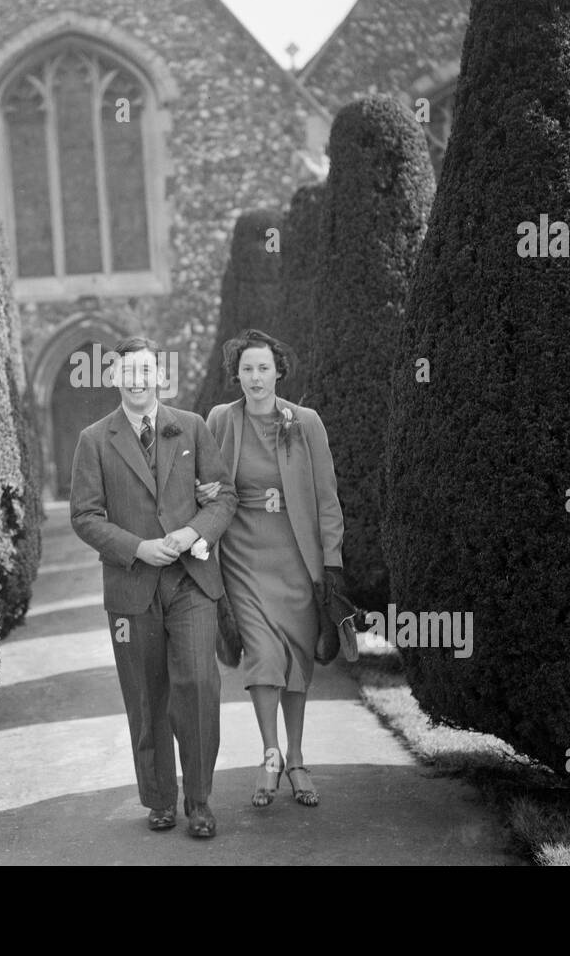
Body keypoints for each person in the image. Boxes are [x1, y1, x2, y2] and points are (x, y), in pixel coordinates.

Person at [70, 337, 237, 838]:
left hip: (191, 581)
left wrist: (192, 534)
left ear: (159, 376)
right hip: (131, 586)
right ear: (114, 378)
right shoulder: (94, 439)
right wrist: (138, 548)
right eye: (128, 372)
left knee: (199, 687)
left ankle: (199, 801)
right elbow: (85, 516)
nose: (138, 380)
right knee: (146, 696)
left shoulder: (192, 426)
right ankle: (160, 799)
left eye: (146, 371)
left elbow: (223, 496)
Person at [202, 328, 347, 808]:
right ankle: (270, 756)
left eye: (264, 367)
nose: (256, 377)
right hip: (242, 557)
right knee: (262, 655)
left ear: (278, 371)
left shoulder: (306, 422)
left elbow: (327, 499)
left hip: (296, 557)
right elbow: (204, 482)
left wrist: (332, 563)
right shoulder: (221, 419)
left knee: (296, 659)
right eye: (247, 369)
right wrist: (202, 495)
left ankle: (298, 756)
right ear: (237, 374)